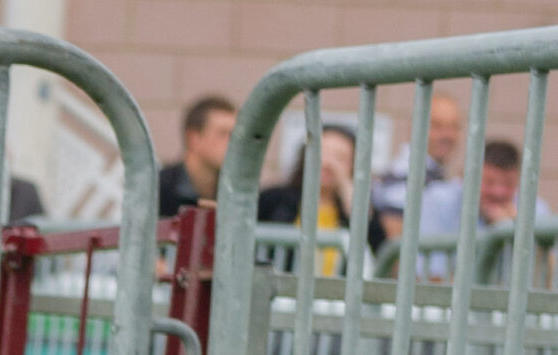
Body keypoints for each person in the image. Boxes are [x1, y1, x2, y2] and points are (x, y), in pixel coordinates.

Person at [413, 139, 555, 281]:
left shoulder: (534, 210)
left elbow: (548, 281)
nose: (498, 192)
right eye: (489, 182)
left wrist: (519, 230)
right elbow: (429, 277)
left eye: (508, 184)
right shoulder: (438, 200)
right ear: (467, 178)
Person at [256, 121, 384, 275]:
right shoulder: (273, 199)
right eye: (322, 153)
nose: (328, 163)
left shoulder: (354, 208)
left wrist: (348, 189)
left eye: (340, 158)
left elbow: (376, 251)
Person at [374, 90, 465, 241]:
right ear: (413, 128)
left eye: (454, 127)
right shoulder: (404, 175)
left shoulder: (434, 174)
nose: (447, 135)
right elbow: (397, 244)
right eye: (436, 126)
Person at [157, 95, 232, 218]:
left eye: (235, 135)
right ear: (193, 138)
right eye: (222, 134)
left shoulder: (233, 194)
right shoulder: (159, 190)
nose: (232, 143)